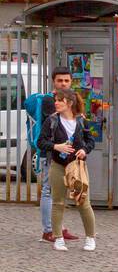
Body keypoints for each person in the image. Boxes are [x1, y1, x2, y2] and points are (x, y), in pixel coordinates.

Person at [36, 89, 96, 251]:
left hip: (77, 167)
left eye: (60, 100)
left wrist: (84, 150)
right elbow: (40, 142)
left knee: (83, 203)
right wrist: (56, 146)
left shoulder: (82, 121)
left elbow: (91, 141)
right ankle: (58, 238)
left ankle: (90, 238)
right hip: (57, 166)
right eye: (56, 99)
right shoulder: (52, 121)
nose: (56, 102)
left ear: (69, 103)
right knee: (58, 203)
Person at [25, 66, 76, 244]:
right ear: (53, 81)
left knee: (58, 192)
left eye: (66, 80)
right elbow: (55, 125)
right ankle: (49, 230)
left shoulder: (68, 99)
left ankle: (58, 227)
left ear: (71, 81)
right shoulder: (49, 100)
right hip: (51, 151)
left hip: (65, 152)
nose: (63, 83)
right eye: (59, 80)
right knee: (48, 190)